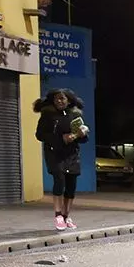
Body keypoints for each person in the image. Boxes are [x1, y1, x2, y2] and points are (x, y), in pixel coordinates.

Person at [35, 89, 88, 230]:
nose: (59, 101)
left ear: (69, 100)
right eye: (57, 98)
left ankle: (66, 216)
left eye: (62, 98)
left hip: (72, 155)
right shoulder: (47, 115)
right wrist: (61, 138)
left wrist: (81, 134)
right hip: (54, 153)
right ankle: (58, 215)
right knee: (59, 179)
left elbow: (83, 139)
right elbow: (40, 135)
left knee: (71, 186)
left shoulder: (75, 115)